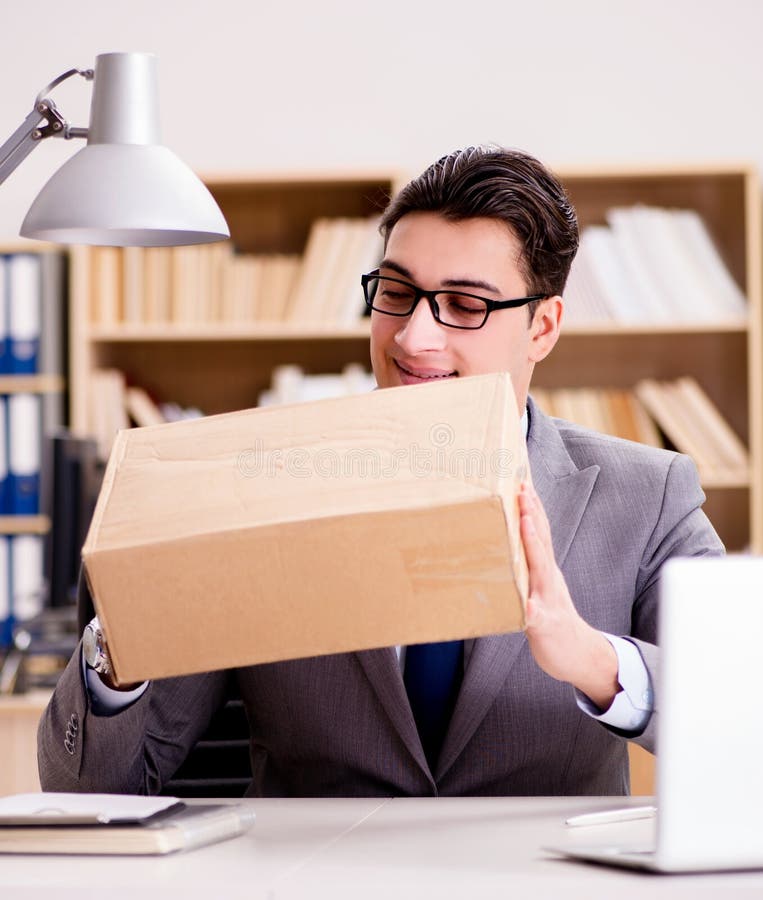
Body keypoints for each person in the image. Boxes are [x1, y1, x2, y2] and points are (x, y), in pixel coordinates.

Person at [38, 146, 723, 797]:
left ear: (542, 327)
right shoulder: (252, 482)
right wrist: (122, 638)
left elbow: (737, 714)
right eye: (395, 292)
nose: (412, 337)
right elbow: (91, 789)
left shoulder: (646, 496)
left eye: (464, 304)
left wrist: (593, 660)